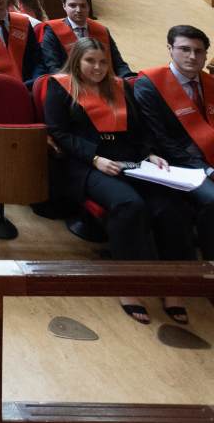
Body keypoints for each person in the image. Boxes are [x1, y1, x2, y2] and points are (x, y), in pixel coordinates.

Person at [45, 38, 190, 325]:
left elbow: (140, 129)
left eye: (102, 62)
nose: (98, 67)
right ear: (77, 61)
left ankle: (173, 285)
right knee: (129, 204)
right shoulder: (60, 86)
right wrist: (95, 159)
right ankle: (127, 284)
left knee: (172, 206)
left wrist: (150, 154)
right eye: (90, 61)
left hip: (131, 161)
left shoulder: (120, 87)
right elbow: (59, 133)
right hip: (86, 164)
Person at [132, 25, 214, 262]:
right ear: (170, 49)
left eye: (199, 51)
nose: (192, 56)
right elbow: (159, 138)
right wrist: (205, 169)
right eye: (184, 49)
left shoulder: (209, 84)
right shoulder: (150, 85)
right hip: (176, 164)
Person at [41, 0, 132, 76]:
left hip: (102, 82)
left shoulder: (102, 30)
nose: (78, 10)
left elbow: (118, 63)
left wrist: (129, 79)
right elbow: (53, 67)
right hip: (71, 83)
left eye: (83, 6)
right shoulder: (52, 31)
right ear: (64, 6)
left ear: (89, 7)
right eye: (72, 5)